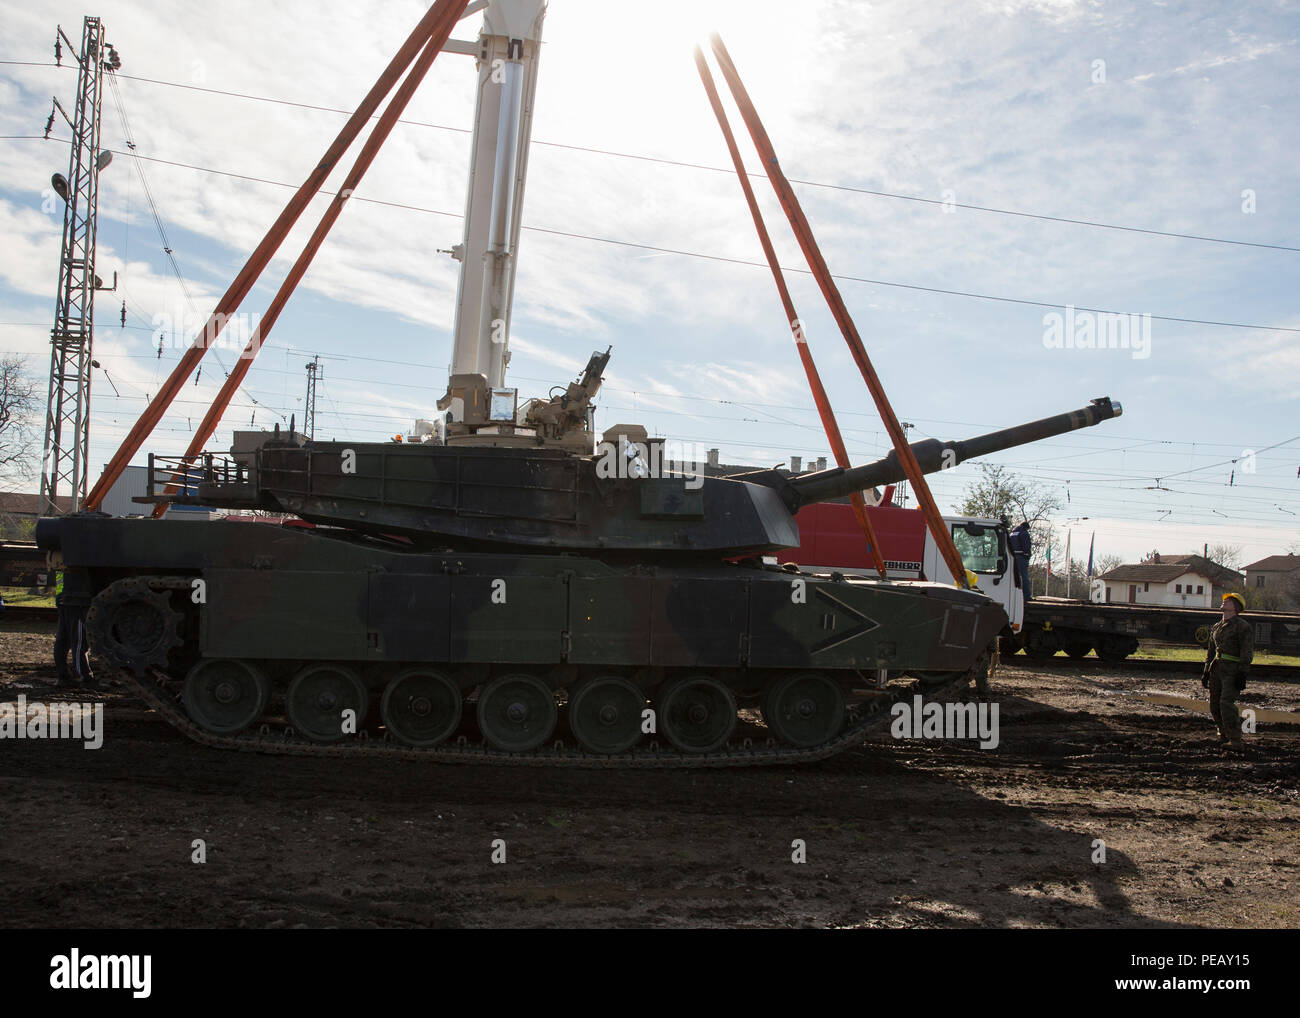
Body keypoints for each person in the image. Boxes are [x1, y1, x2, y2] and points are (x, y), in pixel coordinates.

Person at [1202, 592, 1252, 749]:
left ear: (1236, 607)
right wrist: (1206, 671)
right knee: (1214, 705)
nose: (1224, 602)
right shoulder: (1217, 626)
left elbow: (1247, 651)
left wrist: (1242, 672)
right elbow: (1211, 651)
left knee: (1226, 703)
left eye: (1228, 601)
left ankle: (1236, 740)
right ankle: (1223, 734)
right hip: (1217, 669)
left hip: (1233, 670)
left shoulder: (1243, 626)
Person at [53, 569, 97, 690]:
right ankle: (85, 677)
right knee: (79, 643)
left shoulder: (62, 559)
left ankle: (63, 676)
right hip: (77, 603)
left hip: (66, 601)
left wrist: (59, 595)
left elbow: (59, 575)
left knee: (62, 641)